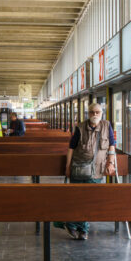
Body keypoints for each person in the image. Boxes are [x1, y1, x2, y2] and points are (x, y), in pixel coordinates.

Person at [56, 103, 116, 240]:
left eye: (97, 112)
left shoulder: (107, 126)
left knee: (89, 200)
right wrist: (67, 166)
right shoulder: (80, 127)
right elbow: (71, 148)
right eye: (91, 112)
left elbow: (112, 145)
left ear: (102, 113)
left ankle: (79, 227)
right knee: (76, 198)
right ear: (88, 114)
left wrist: (111, 162)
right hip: (78, 168)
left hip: (97, 171)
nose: (94, 114)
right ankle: (76, 227)